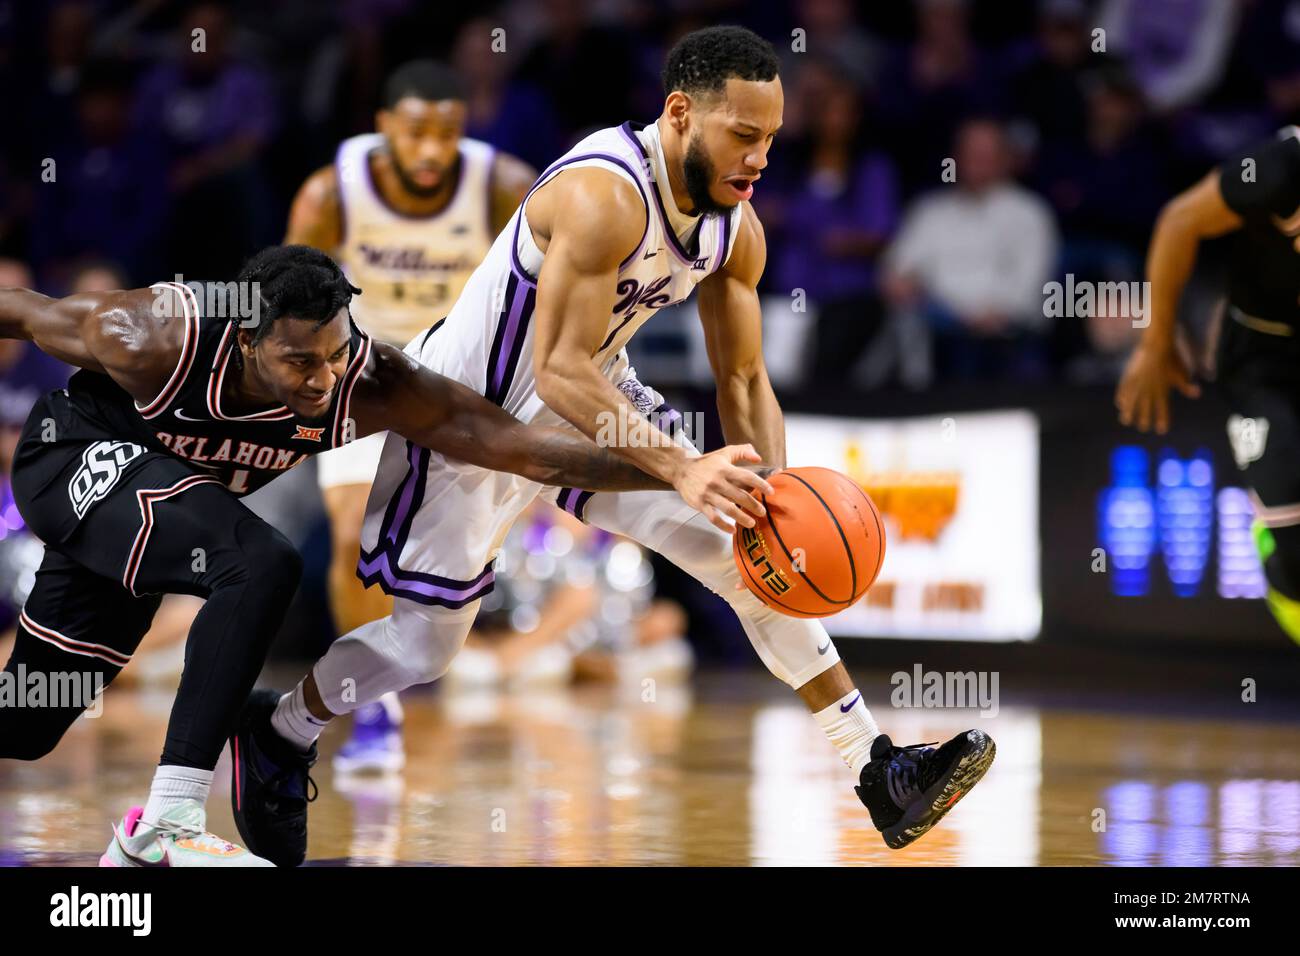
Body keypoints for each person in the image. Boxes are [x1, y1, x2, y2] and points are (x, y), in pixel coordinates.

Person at [242, 26, 995, 865]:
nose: (759, 159)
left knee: (744, 560)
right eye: (743, 135)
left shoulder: (735, 229)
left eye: (772, 139)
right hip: (469, 416)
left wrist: (772, 500)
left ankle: (876, 767)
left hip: (592, 405)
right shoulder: (604, 195)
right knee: (427, 643)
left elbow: (745, 381)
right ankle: (281, 728)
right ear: (680, 115)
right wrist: (682, 463)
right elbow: (554, 369)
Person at [0, 244, 764, 866]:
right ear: (245, 340)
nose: (323, 379)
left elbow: (515, 445)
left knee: (27, 722)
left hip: (154, 511)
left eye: (334, 355)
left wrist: (676, 467)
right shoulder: (154, 333)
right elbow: (24, 310)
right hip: (74, 457)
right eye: (300, 362)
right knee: (260, 561)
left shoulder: (367, 382)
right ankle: (163, 823)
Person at [285, 60, 537, 771]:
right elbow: (285, 299)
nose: (432, 152)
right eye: (417, 133)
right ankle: (373, 711)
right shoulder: (330, 194)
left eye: (448, 135)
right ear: (384, 127)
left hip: (455, 382)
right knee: (346, 541)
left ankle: (441, 661)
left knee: (467, 558)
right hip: (360, 379)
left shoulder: (504, 186)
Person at [1115, 125, 1300, 645]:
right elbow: (1179, 221)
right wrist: (1156, 343)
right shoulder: (1279, 168)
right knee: (1295, 549)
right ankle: (1272, 530)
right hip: (1263, 356)